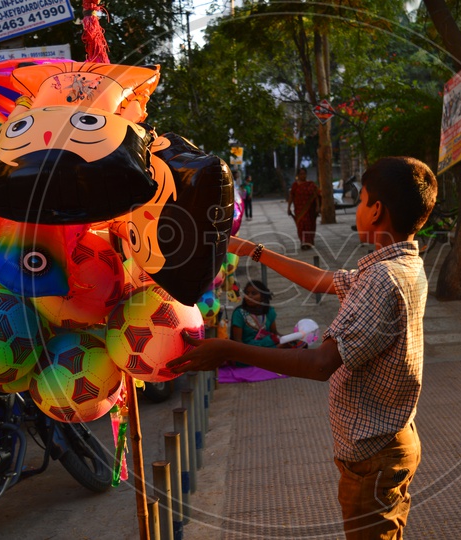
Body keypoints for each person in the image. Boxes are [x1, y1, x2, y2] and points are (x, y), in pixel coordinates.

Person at [168, 156, 437, 539]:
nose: (358, 208)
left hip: (374, 456)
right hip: (388, 445)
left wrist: (229, 349)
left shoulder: (382, 279)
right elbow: (323, 280)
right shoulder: (402, 264)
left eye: (360, 200)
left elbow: (320, 363)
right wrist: (251, 250)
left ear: (376, 211)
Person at [231, 280, 281, 348]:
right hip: (247, 350)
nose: (249, 296)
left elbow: (274, 333)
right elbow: (237, 340)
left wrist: (289, 338)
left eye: (253, 293)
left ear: (262, 296)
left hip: (269, 347)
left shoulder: (269, 311)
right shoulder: (239, 313)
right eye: (247, 293)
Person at [288, 167, 321, 249]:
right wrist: (288, 207)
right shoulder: (295, 185)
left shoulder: (311, 184)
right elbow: (291, 197)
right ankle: (303, 241)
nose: (303, 176)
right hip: (299, 210)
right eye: (301, 174)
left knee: (309, 225)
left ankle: (308, 242)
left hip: (309, 210)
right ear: (298, 175)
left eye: (304, 174)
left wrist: (317, 206)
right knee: (301, 226)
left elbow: (316, 196)